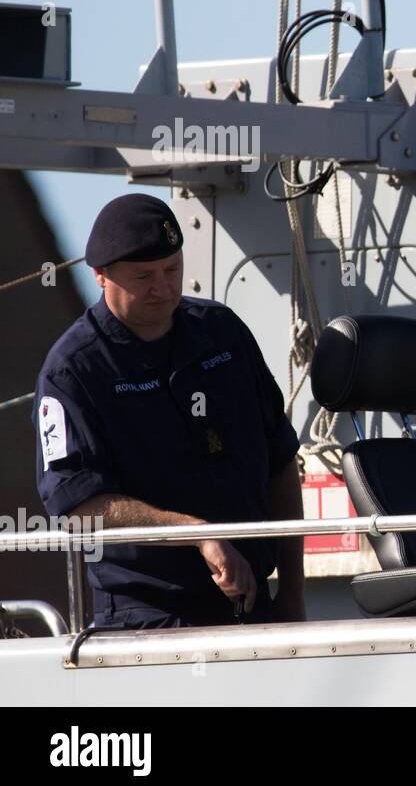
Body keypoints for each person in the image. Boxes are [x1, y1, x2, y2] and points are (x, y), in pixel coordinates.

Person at [34, 194, 305, 629]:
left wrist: (293, 595)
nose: (162, 288)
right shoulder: (73, 371)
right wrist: (195, 533)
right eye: (143, 276)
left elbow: (280, 461)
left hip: (256, 613)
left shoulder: (223, 334)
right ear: (100, 276)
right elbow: (78, 506)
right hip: (148, 625)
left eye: (172, 270)